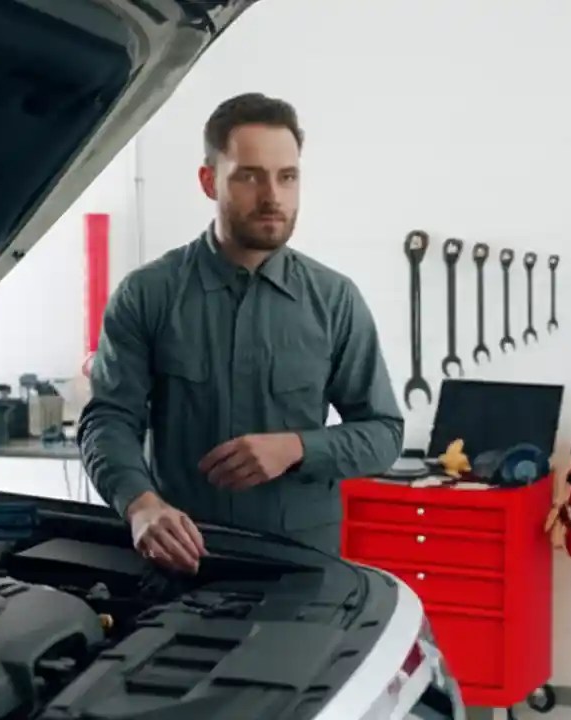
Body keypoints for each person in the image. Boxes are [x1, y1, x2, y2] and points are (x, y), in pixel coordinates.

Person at [77, 92, 404, 573]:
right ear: (209, 181)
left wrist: (296, 448)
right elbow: (107, 421)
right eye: (250, 176)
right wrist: (140, 503)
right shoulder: (147, 294)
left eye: (287, 177)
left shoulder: (335, 300)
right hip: (182, 559)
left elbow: (384, 434)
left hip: (302, 569)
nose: (273, 196)